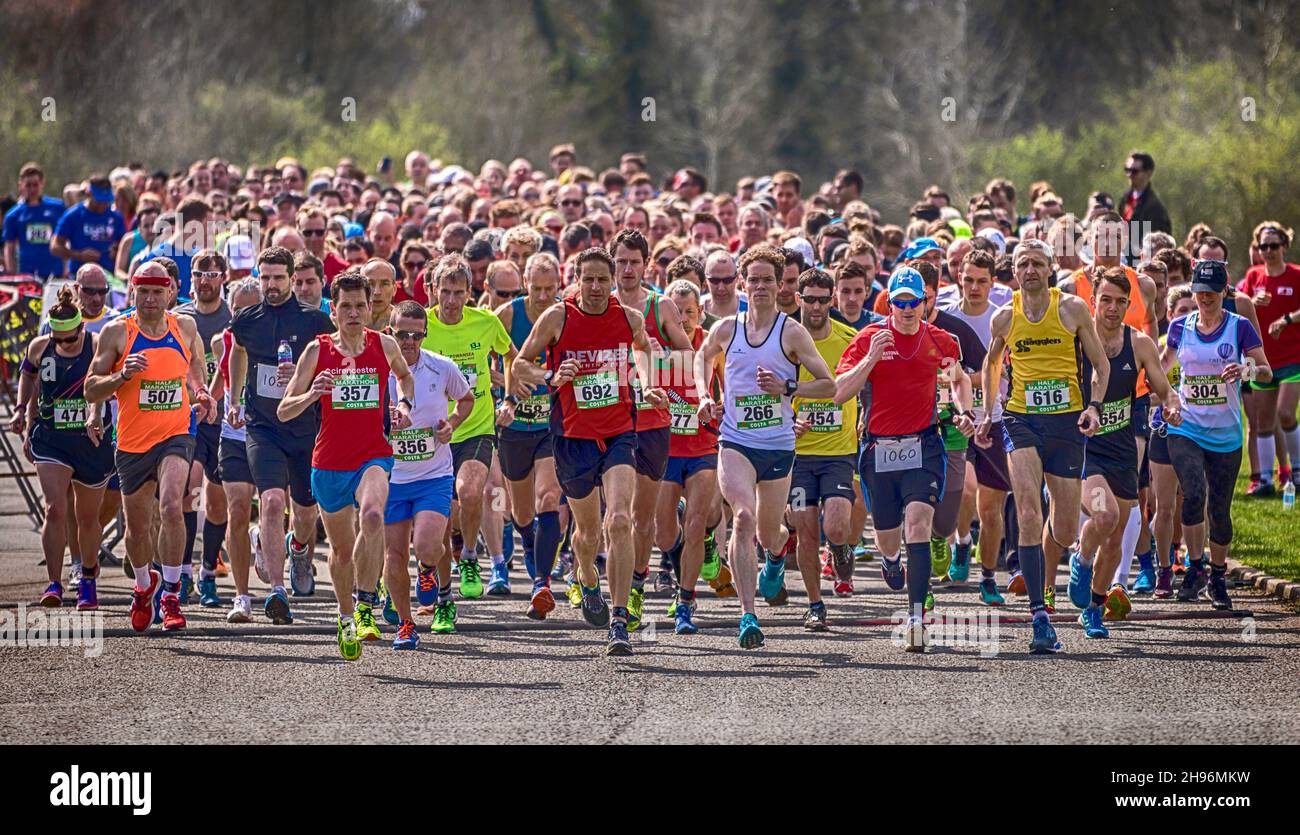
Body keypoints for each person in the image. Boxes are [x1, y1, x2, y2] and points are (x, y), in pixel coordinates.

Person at [510, 247, 665, 656]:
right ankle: (585, 576)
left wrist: (647, 385)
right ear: (575, 279)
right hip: (573, 435)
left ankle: (618, 621)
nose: (595, 287)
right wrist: (550, 375)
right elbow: (519, 365)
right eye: (588, 279)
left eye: (602, 279)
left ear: (613, 280)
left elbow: (644, 350)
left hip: (618, 433)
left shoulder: (629, 318)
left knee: (618, 520)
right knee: (587, 533)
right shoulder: (558, 317)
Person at [695, 245, 835, 649]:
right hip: (736, 440)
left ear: (779, 286)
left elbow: (829, 385)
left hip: (777, 445)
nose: (758, 286)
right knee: (742, 516)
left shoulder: (791, 332)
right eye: (752, 279)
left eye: (766, 280)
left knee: (769, 532)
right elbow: (702, 359)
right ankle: (748, 616)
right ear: (743, 283)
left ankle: (776, 556)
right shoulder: (727, 328)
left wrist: (788, 386)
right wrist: (705, 394)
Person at [974, 239, 1109, 654]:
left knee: (1065, 528)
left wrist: (1095, 407)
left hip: (1067, 423)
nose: (1029, 269)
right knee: (1029, 511)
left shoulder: (1071, 309)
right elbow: (991, 364)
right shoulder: (1004, 317)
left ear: (1050, 268)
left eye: (1037, 263)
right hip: (1021, 419)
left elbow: (1100, 365)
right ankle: (1039, 616)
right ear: (1013, 271)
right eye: (1022, 264)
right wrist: (987, 410)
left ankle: (1074, 562)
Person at [278, 272, 414, 660]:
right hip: (329, 462)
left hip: (374, 455)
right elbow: (284, 409)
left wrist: (404, 405)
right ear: (333, 311)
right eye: (345, 306)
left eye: (360, 305)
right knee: (340, 553)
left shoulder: (384, 344)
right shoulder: (317, 351)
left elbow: (404, 377)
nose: (354, 313)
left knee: (372, 517)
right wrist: (312, 392)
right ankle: (346, 614)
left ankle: (367, 602)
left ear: (370, 307)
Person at [836, 267, 973, 652]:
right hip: (879, 448)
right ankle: (891, 560)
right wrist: (871, 359)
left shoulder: (940, 341)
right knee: (888, 534)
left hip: (923, 446)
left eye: (915, 301)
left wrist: (964, 410)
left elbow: (958, 378)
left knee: (918, 523)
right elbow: (838, 392)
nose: (908, 308)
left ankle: (916, 617)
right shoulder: (869, 339)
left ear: (925, 302)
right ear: (890, 303)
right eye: (901, 302)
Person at [85, 262, 215, 632]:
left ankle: (172, 593)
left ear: (170, 293)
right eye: (144, 291)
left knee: (173, 503)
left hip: (176, 431)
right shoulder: (116, 333)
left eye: (158, 291)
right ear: (133, 293)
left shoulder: (185, 327)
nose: (151, 299)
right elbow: (91, 387)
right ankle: (144, 586)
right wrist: (123, 374)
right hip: (132, 439)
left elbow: (195, 368)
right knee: (137, 528)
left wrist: (202, 392)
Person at [1070, 268, 1181, 638]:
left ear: (1129, 305)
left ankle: (1094, 609)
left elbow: (1163, 389)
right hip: (1085, 448)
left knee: (1117, 537)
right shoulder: (1075, 343)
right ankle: (1081, 560)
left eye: (1121, 302)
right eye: (1106, 300)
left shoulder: (1140, 344)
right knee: (1104, 515)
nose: (1113, 308)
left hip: (1121, 447)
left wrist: (1171, 404)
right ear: (1092, 302)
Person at [227, 246, 334, 623]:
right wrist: (235, 397)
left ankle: (299, 551)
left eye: (278, 278)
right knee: (271, 501)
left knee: (305, 513)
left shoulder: (315, 320)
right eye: (265, 277)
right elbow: (237, 353)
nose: (271, 285)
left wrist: (302, 379)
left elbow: (332, 361)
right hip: (263, 427)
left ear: (292, 278)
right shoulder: (246, 318)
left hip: (306, 428)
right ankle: (276, 590)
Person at [1163, 261, 1270, 609]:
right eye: (1199, 290)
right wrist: (1168, 399)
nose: (1205, 297)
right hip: (1187, 426)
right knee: (1193, 493)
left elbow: (1266, 372)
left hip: (1225, 434)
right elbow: (1160, 370)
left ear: (1225, 291)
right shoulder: (1180, 328)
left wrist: (1246, 369)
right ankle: (1195, 567)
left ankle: (1218, 575)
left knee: (1220, 512)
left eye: (1212, 290)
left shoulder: (1239, 327)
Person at [8, 287, 115, 609]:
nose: (64, 345)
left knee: (87, 517)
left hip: (90, 440)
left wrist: (95, 414)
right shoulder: (41, 347)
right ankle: (53, 583)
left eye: (70, 340)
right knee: (54, 509)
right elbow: (27, 375)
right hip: (52, 437)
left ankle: (87, 578)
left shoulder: (96, 347)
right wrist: (21, 410)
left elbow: (106, 386)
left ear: (82, 329)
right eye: (59, 340)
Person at [608, 229, 693, 630]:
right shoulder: (598, 306)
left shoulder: (661, 308)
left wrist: (659, 363)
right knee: (612, 514)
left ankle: (637, 582)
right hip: (605, 423)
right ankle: (609, 585)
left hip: (651, 422)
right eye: (621, 261)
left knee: (643, 518)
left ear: (647, 265)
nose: (627, 269)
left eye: (634, 262)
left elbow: (689, 357)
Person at [421, 253, 517, 598]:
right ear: (433, 290)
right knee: (442, 514)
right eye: (444, 291)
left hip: (476, 426)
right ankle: (440, 573)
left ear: (469, 293)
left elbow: (511, 356)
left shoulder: (486, 322)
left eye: (458, 292)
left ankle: (472, 556)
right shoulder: (421, 325)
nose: (450, 300)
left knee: (473, 492)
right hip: (432, 432)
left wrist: (508, 398)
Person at [383, 301, 475, 647]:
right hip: (391, 477)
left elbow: (466, 400)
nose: (408, 342)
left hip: (433, 473)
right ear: (389, 332)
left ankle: (427, 569)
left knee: (426, 544)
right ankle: (405, 625)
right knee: (394, 554)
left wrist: (451, 425)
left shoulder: (442, 367)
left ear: (424, 334)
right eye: (401, 334)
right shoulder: (379, 369)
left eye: (415, 335)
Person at [786, 268, 860, 625]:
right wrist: (787, 421)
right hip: (798, 455)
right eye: (808, 299)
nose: (815, 307)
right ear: (798, 299)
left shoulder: (849, 338)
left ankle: (842, 548)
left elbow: (868, 383)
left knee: (836, 526)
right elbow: (763, 388)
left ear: (832, 300)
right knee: (805, 529)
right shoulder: (783, 338)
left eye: (822, 300)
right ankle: (815, 605)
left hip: (838, 452)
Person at [495, 252, 566, 618]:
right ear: (525, 284)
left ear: (559, 284)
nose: (542, 296)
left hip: (552, 424)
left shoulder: (565, 313)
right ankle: (529, 541)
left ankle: (542, 583)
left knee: (549, 497)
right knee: (521, 513)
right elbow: (489, 362)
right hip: (516, 424)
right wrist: (506, 392)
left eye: (549, 288)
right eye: (536, 288)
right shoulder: (508, 314)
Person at [656, 279, 724, 634]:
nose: (682, 320)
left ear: (701, 314)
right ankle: (678, 562)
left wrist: (722, 406)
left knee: (698, 524)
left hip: (702, 447)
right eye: (676, 312)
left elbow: (730, 386)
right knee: (665, 534)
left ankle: (685, 602)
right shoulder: (657, 350)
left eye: (690, 312)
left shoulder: (711, 347)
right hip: (666, 451)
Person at [943, 250, 1011, 605]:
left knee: (991, 509)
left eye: (981, 281)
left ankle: (986, 576)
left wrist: (974, 377)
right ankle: (961, 542)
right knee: (965, 491)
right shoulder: (947, 318)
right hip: (959, 419)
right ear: (959, 278)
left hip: (996, 417)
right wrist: (970, 379)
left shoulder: (1002, 319)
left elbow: (1001, 371)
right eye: (968, 279)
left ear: (992, 283)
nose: (973, 287)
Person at [173, 251, 231, 607]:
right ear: (190, 278)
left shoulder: (233, 317)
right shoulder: (180, 319)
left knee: (218, 501)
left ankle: (209, 572)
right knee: (186, 493)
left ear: (223, 277)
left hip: (224, 421)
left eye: (212, 275)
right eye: (199, 274)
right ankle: (182, 573)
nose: (204, 281)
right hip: (189, 421)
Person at [206, 277, 263, 622]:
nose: (245, 316)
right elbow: (221, 382)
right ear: (230, 310)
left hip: (272, 436)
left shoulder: (281, 339)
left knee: (275, 510)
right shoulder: (220, 341)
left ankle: (271, 560)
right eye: (240, 309)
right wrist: (205, 401)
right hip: (234, 437)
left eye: (252, 309)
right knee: (238, 510)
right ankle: (242, 597)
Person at [1240, 224, 1300, 494]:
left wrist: (1287, 319)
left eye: (1274, 245)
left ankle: (1297, 472)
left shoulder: (1296, 275)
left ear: (1284, 246)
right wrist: (1252, 300)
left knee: (1285, 413)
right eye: (1263, 246)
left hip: (1292, 357)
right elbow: (1240, 306)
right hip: (1263, 359)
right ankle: (1265, 480)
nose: (1268, 251)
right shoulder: (1253, 276)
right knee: (1263, 422)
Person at [50, 175, 125, 274]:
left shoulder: (116, 217)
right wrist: (79, 255)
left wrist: (117, 251)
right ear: (89, 194)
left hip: (108, 276)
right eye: (99, 200)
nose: (103, 204)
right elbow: (55, 247)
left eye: (106, 200)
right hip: (79, 275)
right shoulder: (74, 215)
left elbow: (124, 244)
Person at [3, 162, 67, 278]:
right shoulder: (13, 215)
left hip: (56, 273)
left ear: (42, 184)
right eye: (28, 185)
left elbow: (66, 239)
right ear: (20, 186)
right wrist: (12, 273)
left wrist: (66, 267)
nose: (32, 189)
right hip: (27, 275)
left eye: (35, 185)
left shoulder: (57, 208)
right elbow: (9, 247)